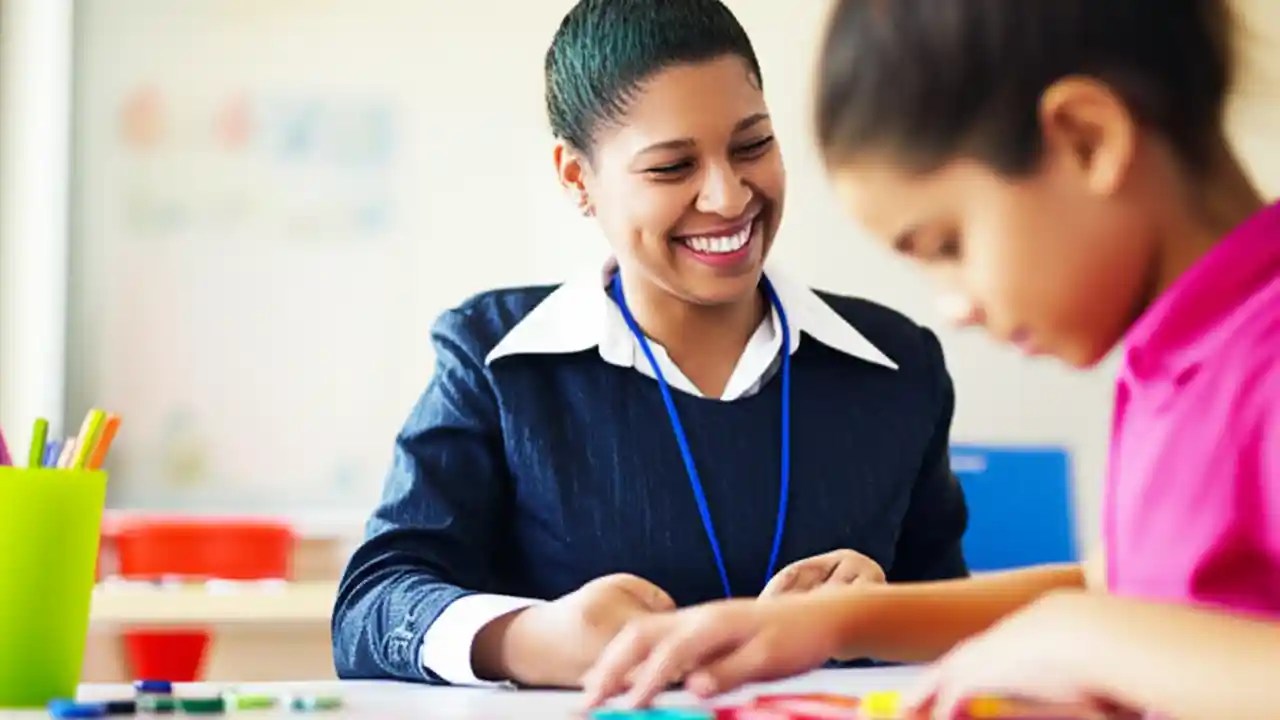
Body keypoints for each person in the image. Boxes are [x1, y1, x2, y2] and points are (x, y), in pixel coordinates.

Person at [581, 0, 1280, 717]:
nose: (956, 306)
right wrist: (830, 622)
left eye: (948, 246)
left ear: (1087, 140)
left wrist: (1074, 635)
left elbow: (1107, 622)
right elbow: (1124, 594)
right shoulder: (1176, 357)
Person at [331, 0, 969, 689]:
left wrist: (880, 617)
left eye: (752, 145)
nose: (728, 197)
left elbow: (958, 626)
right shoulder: (496, 360)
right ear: (578, 179)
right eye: (671, 167)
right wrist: (533, 639)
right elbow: (372, 606)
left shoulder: (897, 367)